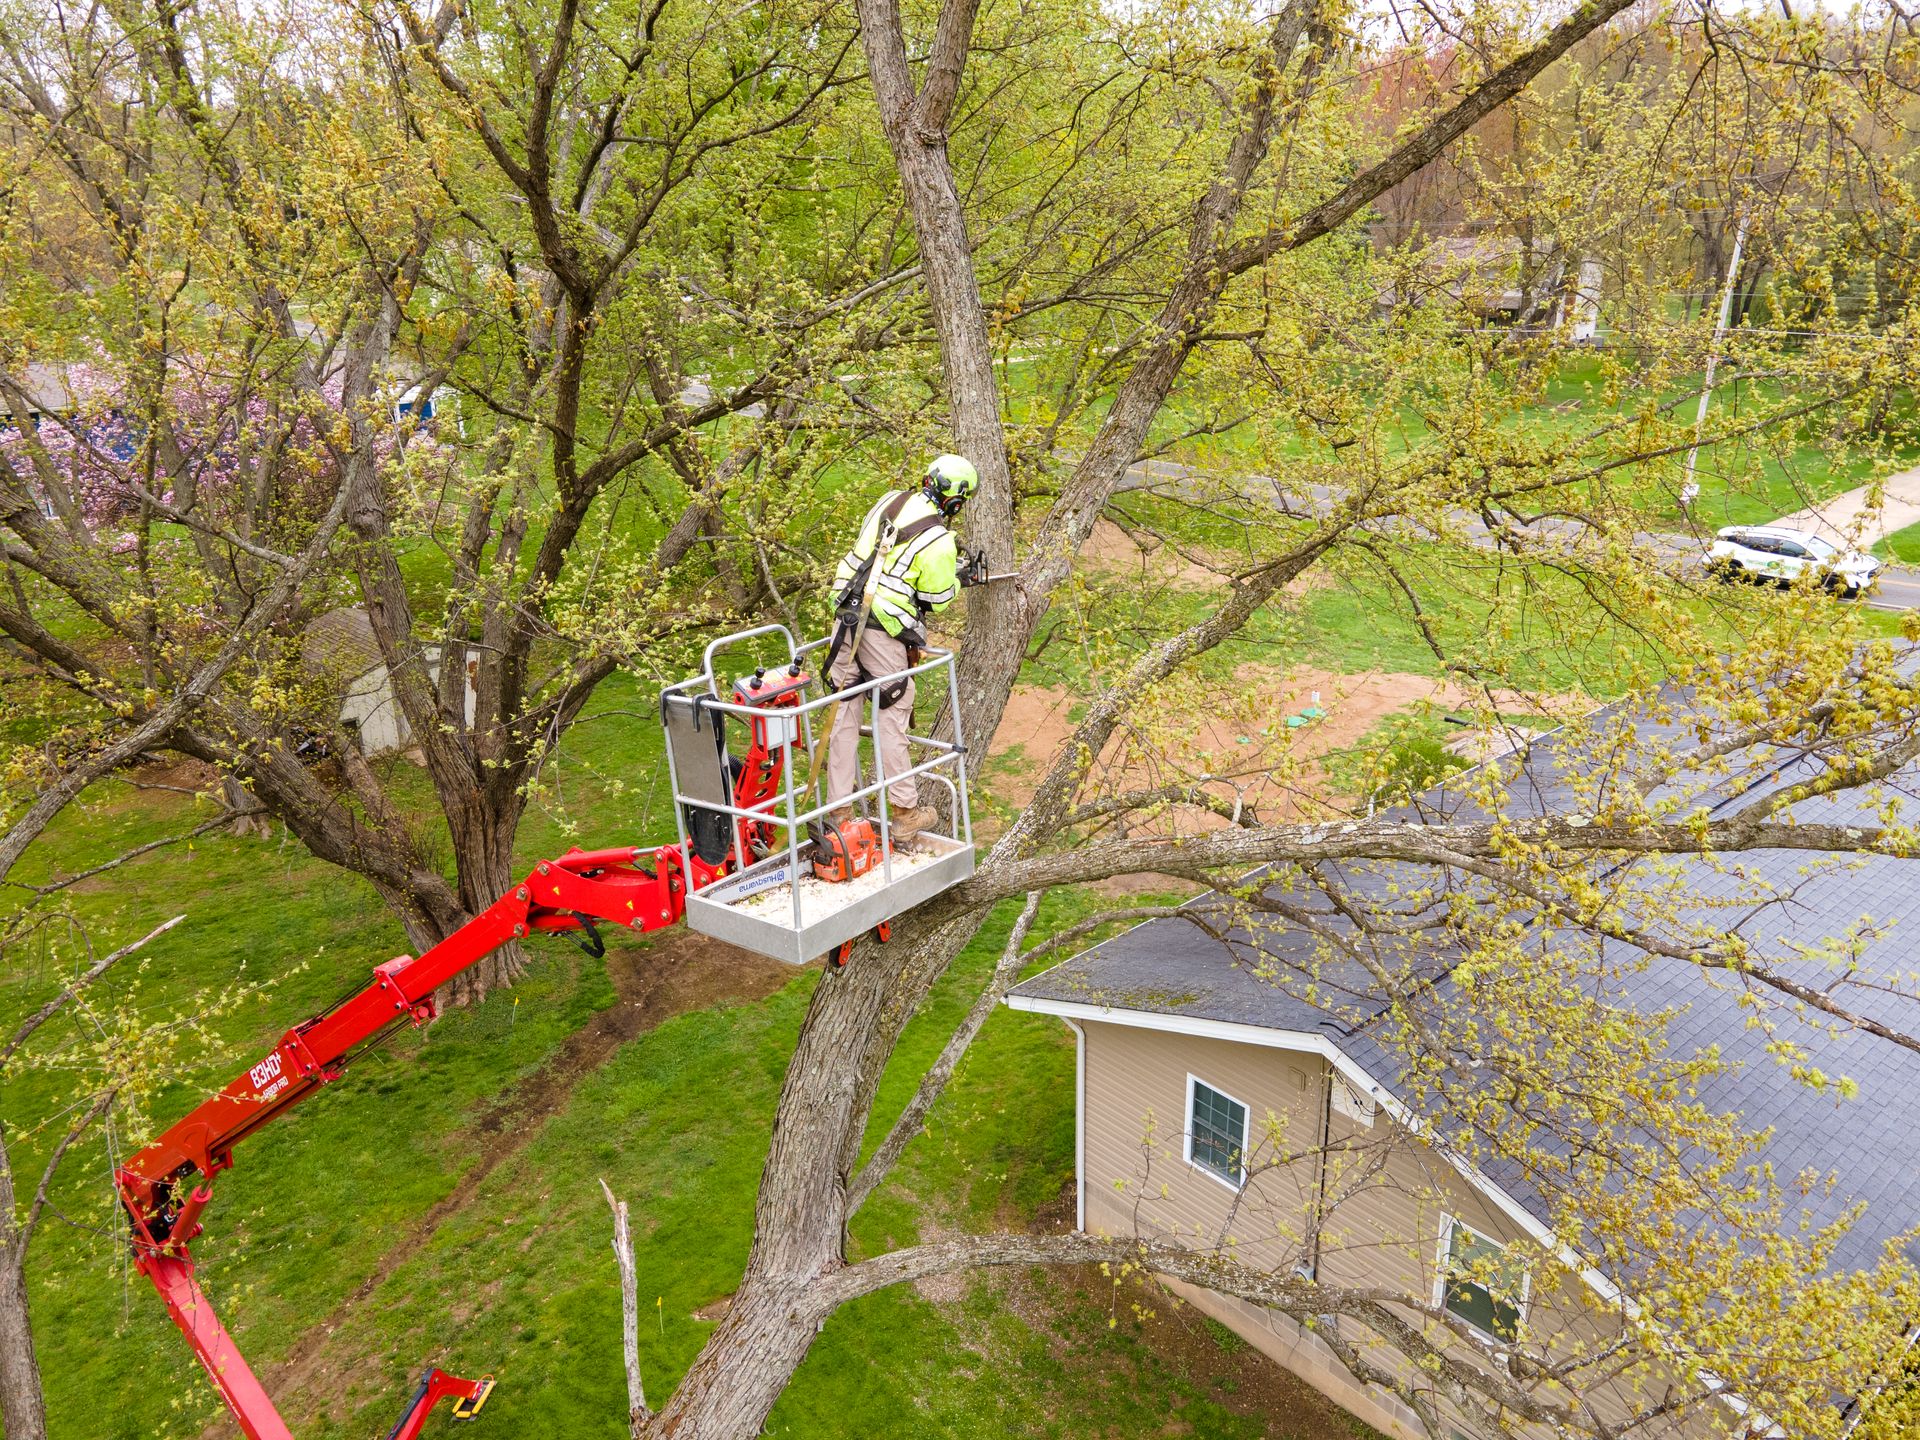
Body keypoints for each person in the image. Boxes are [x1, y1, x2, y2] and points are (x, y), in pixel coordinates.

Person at [823, 453, 980, 838]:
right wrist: (959, 578)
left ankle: (838, 812)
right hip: (881, 626)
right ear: (956, 501)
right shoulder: (940, 540)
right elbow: (938, 597)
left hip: (844, 614)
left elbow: (881, 555)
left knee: (843, 712)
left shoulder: (889, 501)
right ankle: (905, 812)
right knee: (893, 708)